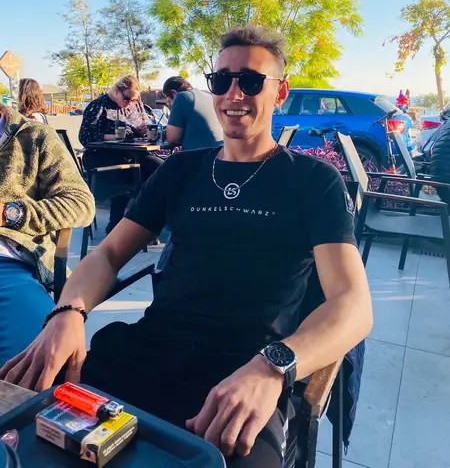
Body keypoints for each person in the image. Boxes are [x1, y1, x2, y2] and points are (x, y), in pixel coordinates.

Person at [1, 25, 372, 467]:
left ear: (280, 92)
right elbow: (109, 253)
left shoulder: (313, 181)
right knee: (30, 437)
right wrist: (69, 311)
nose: (234, 93)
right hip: (147, 354)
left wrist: (273, 367)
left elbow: (353, 305)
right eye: (222, 80)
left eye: (251, 81)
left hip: (245, 370)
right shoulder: (180, 171)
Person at [0, 103, 95, 367]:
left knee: (35, 368)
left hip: (9, 266)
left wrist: (10, 213)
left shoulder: (33, 137)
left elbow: (80, 204)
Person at [79, 75, 164, 232]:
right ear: (117, 91)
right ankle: (120, 224)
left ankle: (144, 224)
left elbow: (142, 127)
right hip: (103, 158)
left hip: (133, 155)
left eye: (134, 100)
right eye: (127, 99)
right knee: (132, 174)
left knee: (161, 168)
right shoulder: (99, 106)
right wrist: (114, 136)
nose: (130, 103)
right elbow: (85, 137)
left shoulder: (136, 105)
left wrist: (143, 130)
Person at [163, 76, 223, 150]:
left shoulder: (181, 96)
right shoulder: (209, 96)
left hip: (199, 154)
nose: (171, 105)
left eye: (169, 101)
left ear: (173, 93)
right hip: (219, 151)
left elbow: (173, 138)